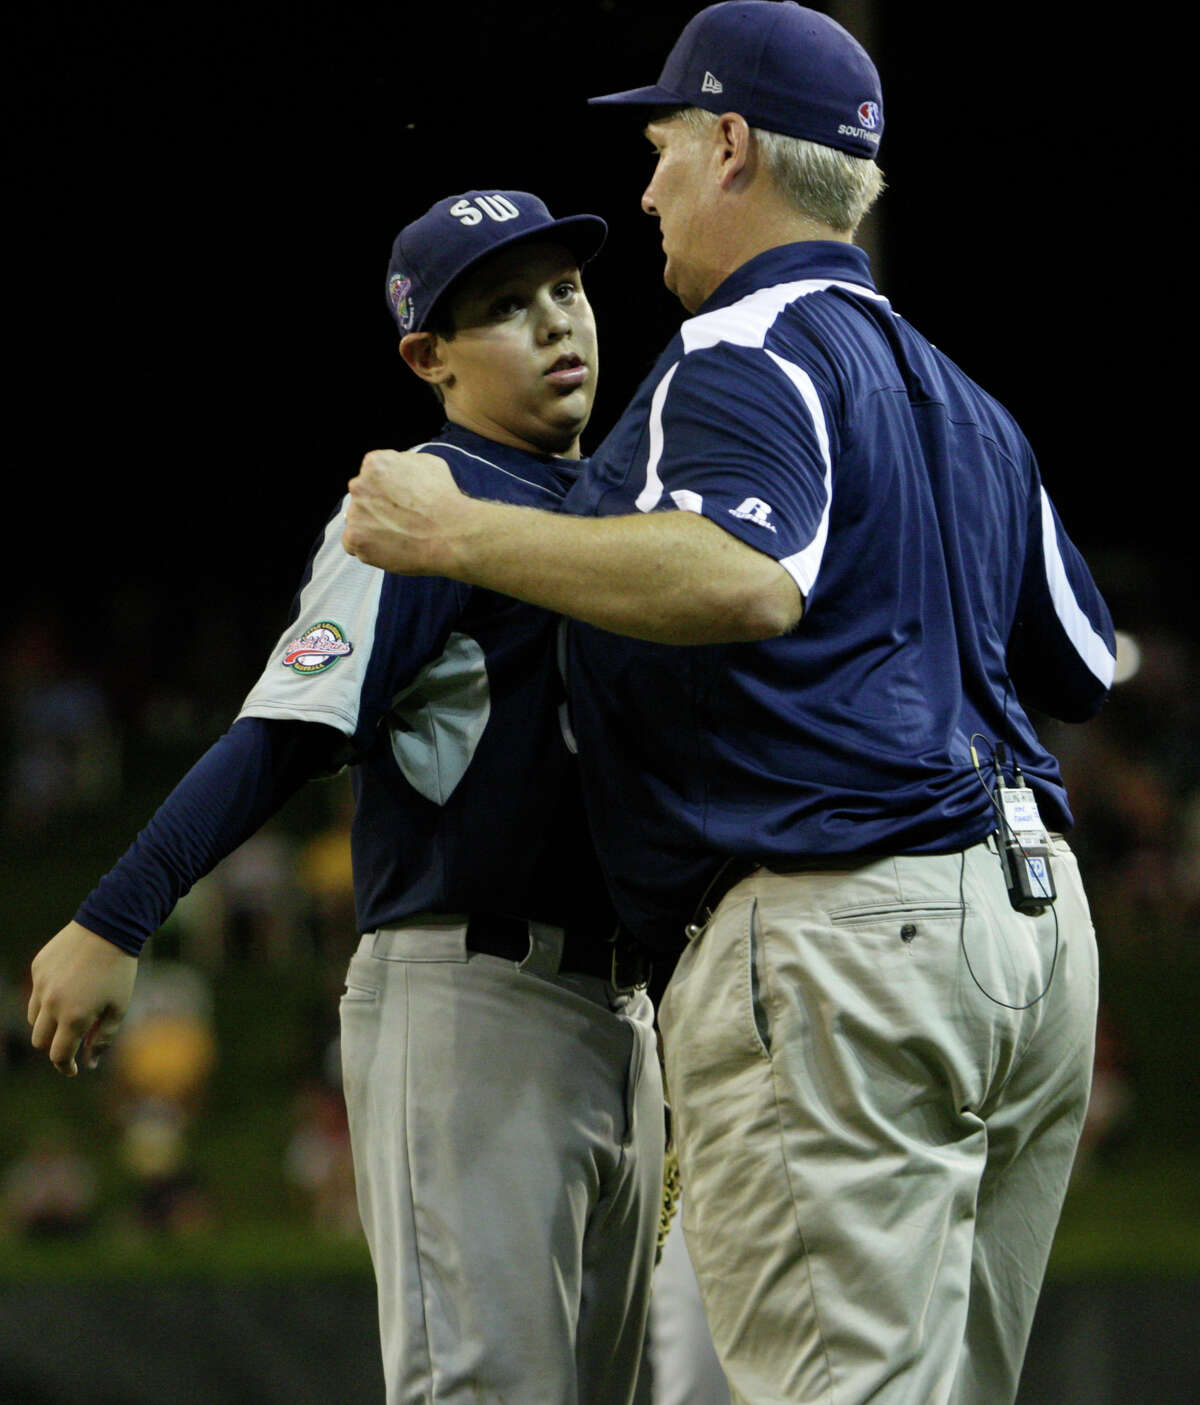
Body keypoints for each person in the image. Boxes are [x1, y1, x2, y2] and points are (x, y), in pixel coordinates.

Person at [338, 5, 1117, 1403]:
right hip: (1034, 937)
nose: (646, 191)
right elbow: (1079, 657)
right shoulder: (971, 403)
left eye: (664, 148)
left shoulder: (739, 348)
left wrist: (459, 534)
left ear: (735, 147)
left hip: (844, 925)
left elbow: (744, 576)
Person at [26, 189, 664, 1405]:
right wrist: (117, 913)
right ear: (428, 357)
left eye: (564, 290)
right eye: (503, 307)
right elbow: (288, 728)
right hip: (479, 1002)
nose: (553, 321)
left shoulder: (616, 508)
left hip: (624, 1016)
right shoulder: (421, 502)